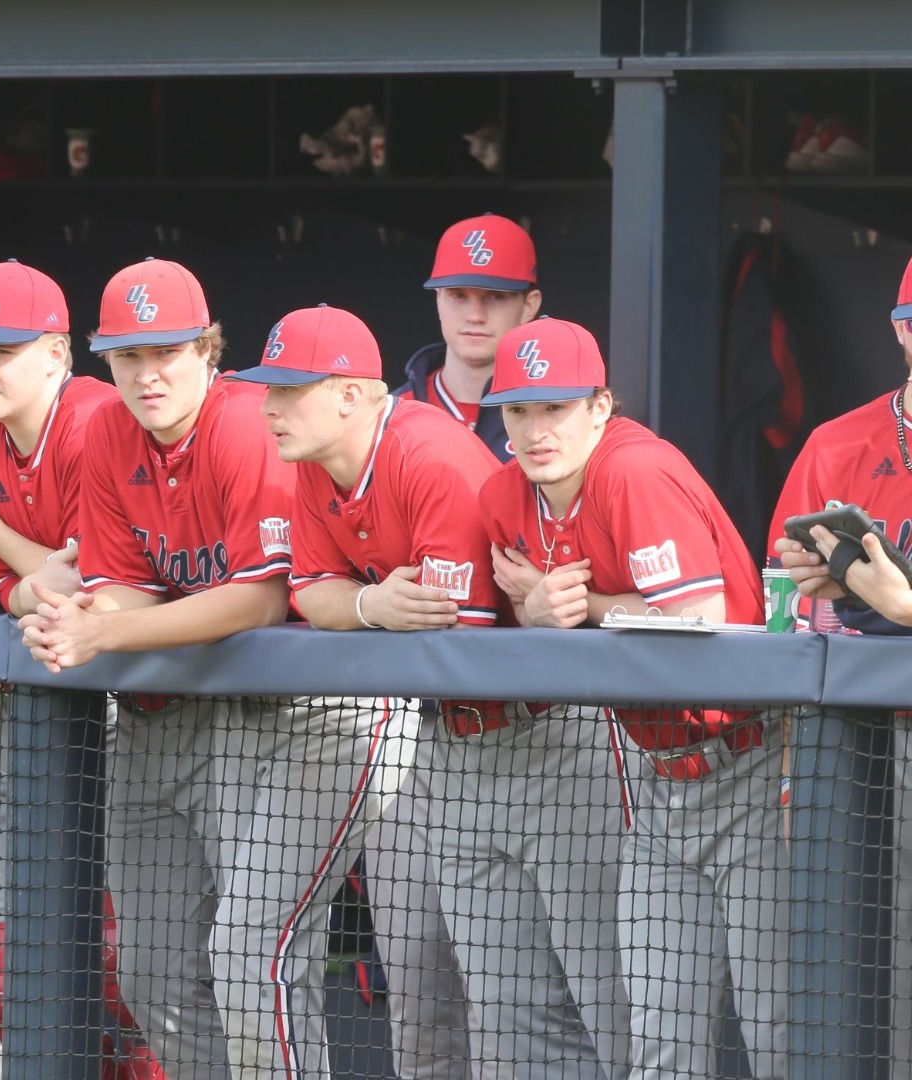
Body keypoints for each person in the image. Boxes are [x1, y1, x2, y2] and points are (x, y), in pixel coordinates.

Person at [20, 258, 405, 1080]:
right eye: (129, 356)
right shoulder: (108, 434)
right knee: (153, 971)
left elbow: (259, 602)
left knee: (267, 956)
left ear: (206, 351)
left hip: (325, 711)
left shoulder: (242, 424)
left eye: (167, 352)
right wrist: (83, 616)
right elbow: (121, 579)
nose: (148, 374)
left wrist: (104, 638)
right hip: (210, 715)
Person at [247, 305, 631, 1080]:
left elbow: (457, 639)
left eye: (290, 389)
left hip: (551, 737)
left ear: (352, 396)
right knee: (499, 1010)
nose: (268, 407)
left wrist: (374, 612)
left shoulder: (427, 455)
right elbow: (312, 592)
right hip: (450, 747)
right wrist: (369, 605)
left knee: (611, 999)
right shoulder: (311, 462)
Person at [476, 317, 784, 1080]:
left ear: (601, 406)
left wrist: (579, 610)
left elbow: (702, 622)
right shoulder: (503, 495)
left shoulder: (632, 471)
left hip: (752, 765)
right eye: (519, 409)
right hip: (653, 785)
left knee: (780, 1033)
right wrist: (540, 612)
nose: (536, 429)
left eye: (556, 406)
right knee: (658, 1041)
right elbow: (517, 616)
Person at [0, 259, 120, 938]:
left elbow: (90, 590)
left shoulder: (96, 420)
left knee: (111, 953)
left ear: (57, 353)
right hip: (12, 706)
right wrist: (27, 579)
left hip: (120, 705)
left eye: (3, 351)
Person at [770, 254, 912, 1080]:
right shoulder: (838, 444)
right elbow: (777, 601)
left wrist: (898, 605)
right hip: (850, 753)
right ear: (901, 330)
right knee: (846, 991)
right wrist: (821, 588)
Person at [397, 213, 544, 463]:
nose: (475, 315)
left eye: (495, 296)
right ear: (438, 300)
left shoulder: (558, 418)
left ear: (529, 306)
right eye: (458, 295)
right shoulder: (390, 415)